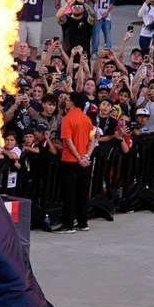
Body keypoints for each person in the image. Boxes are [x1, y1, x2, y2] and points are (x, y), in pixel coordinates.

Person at [57, 91, 94, 233]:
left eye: (67, 100)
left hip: (69, 161)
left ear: (71, 103)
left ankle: (68, 224)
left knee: (69, 194)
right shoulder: (87, 119)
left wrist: (79, 158)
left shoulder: (67, 119)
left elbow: (68, 140)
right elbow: (92, 141)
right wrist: (86, 157)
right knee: (82, 193)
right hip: (84, 163)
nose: (65, 102)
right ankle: (83, 222)